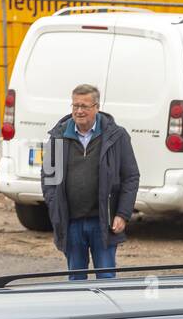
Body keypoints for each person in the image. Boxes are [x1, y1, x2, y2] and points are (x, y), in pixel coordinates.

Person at [40, 84, 140, 281]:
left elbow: (131, 177)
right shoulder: (58, 137)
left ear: (96, 107)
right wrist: (55, 209)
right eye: (75, 105)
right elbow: (48, 178)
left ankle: (107, 312)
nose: (79, 111)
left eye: (85, 106)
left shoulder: (116, 136)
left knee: (106, 279)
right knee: (76, 281)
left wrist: (122, 214)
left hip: (103, 222)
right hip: (71, 223)